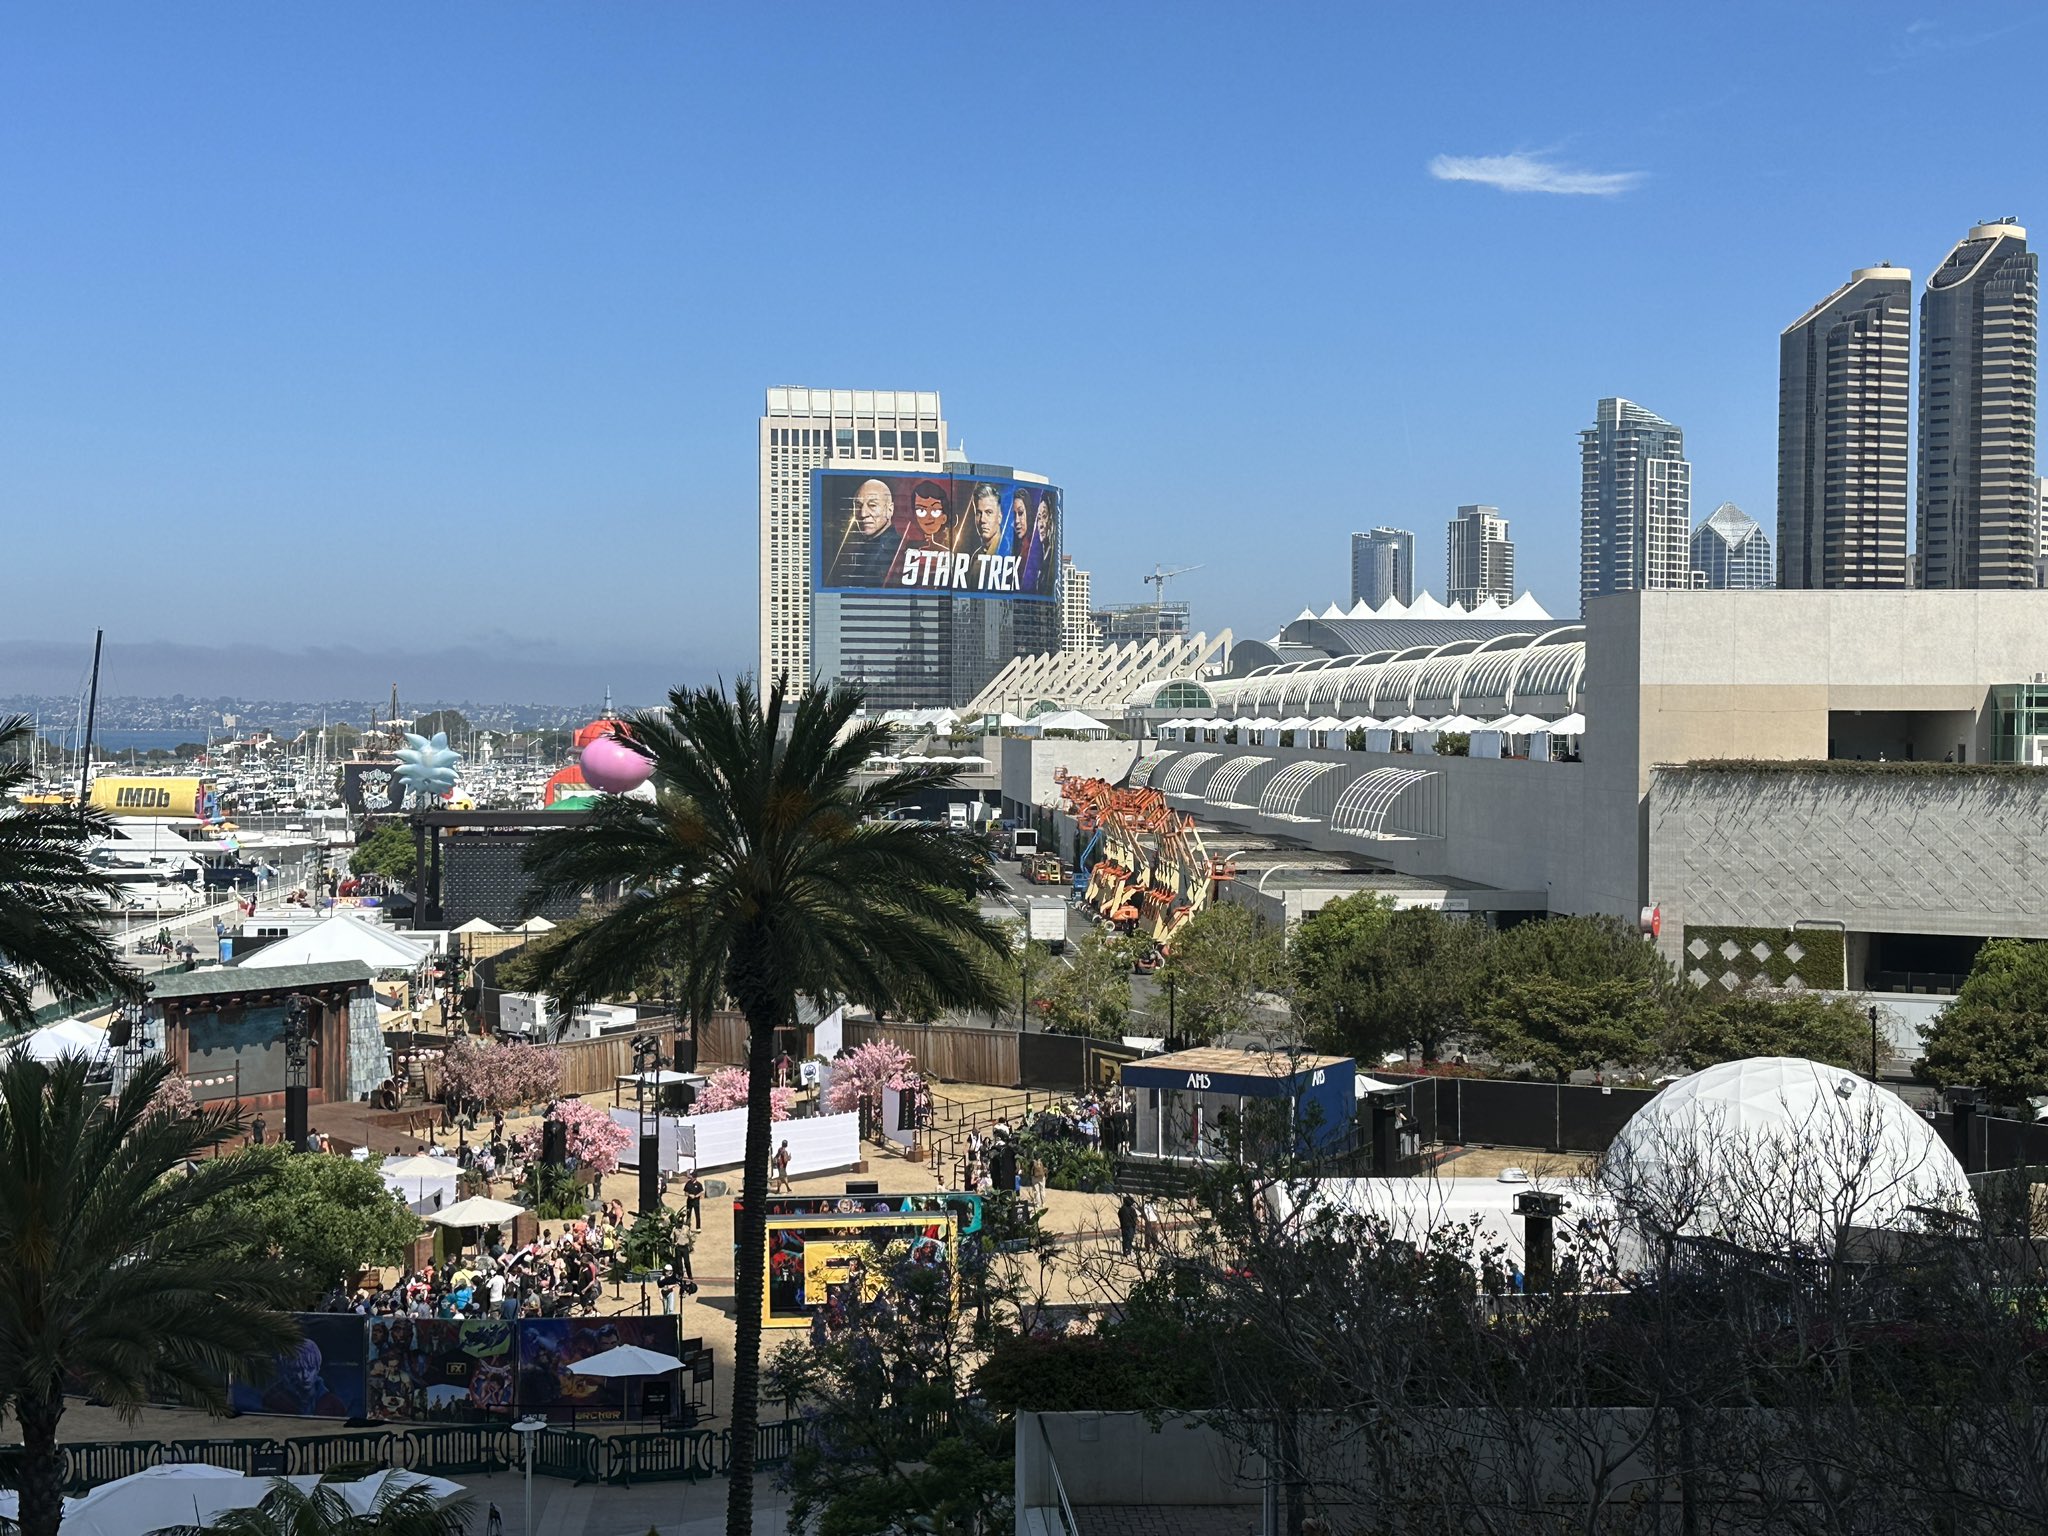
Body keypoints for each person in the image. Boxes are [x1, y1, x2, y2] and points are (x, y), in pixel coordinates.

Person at [826, 477, 903, 586]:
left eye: (872, 505)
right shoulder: (865, 549)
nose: (863, 513)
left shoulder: (896, 552)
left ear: (890, 509)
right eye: (858, 505)